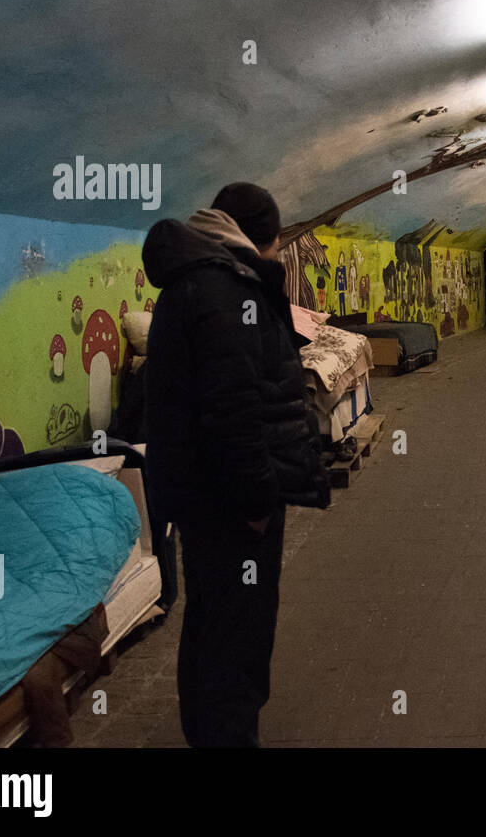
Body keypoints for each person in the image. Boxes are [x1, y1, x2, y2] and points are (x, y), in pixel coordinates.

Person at [141, 182, 328, 747]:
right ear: (261, 238)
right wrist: (255, 505)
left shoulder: (193, 281)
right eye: (277, 243)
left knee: (210, 622)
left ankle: (209, 731)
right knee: (238, 634)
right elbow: (233, 410)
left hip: (202, 500)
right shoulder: (225, 292)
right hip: (232, 506)